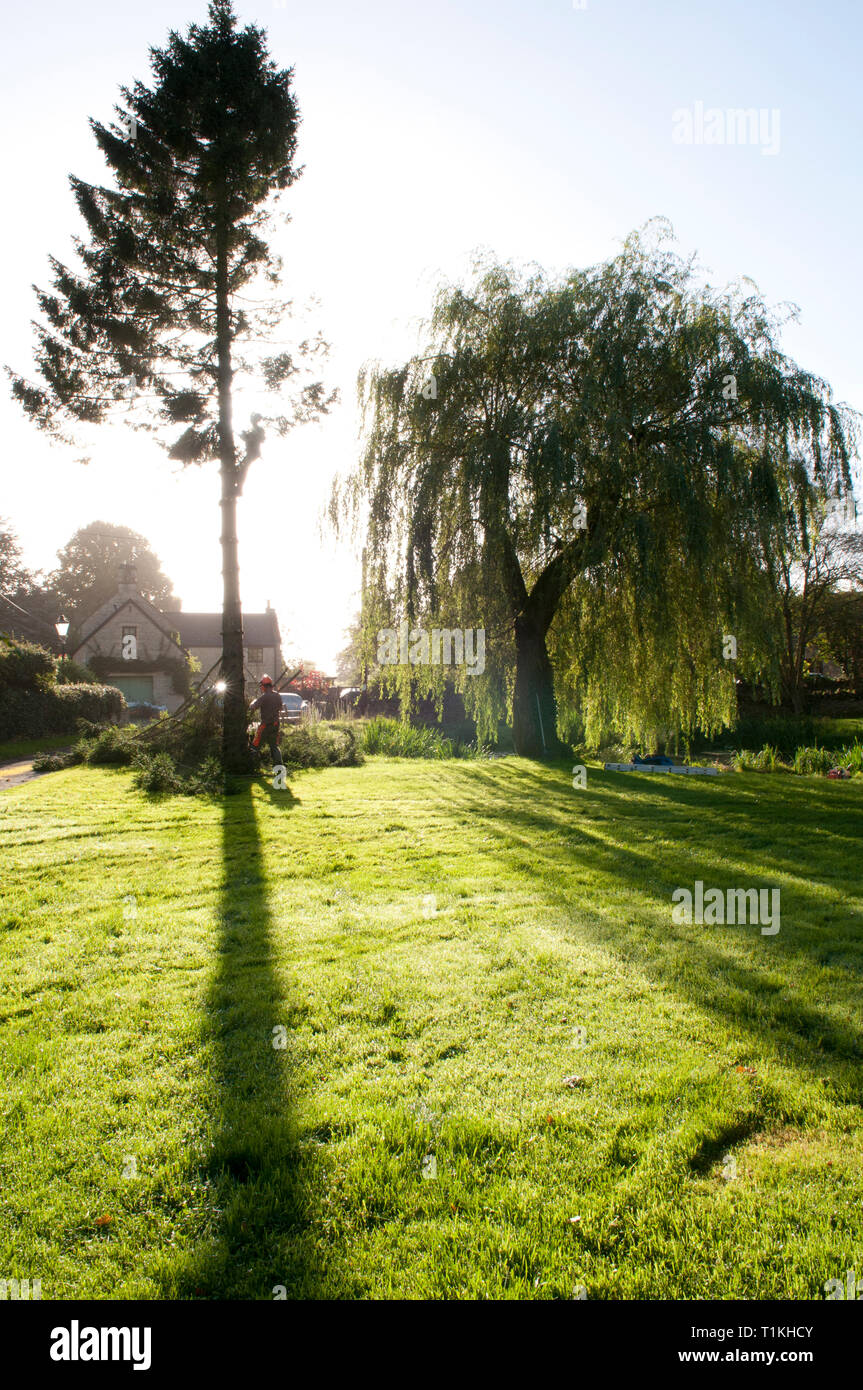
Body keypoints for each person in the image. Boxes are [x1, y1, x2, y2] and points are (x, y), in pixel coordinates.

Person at [249, 675, 283, 766]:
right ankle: (279, 767)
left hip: (265, 725)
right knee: (274, 747)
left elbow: (252, 707)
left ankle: (252, 766)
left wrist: (253, 701)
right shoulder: (277, 695)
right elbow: (280, 707)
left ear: (264, 686)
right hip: (275, 724)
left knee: (255, 746)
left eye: (261, 686)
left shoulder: (264, 697)